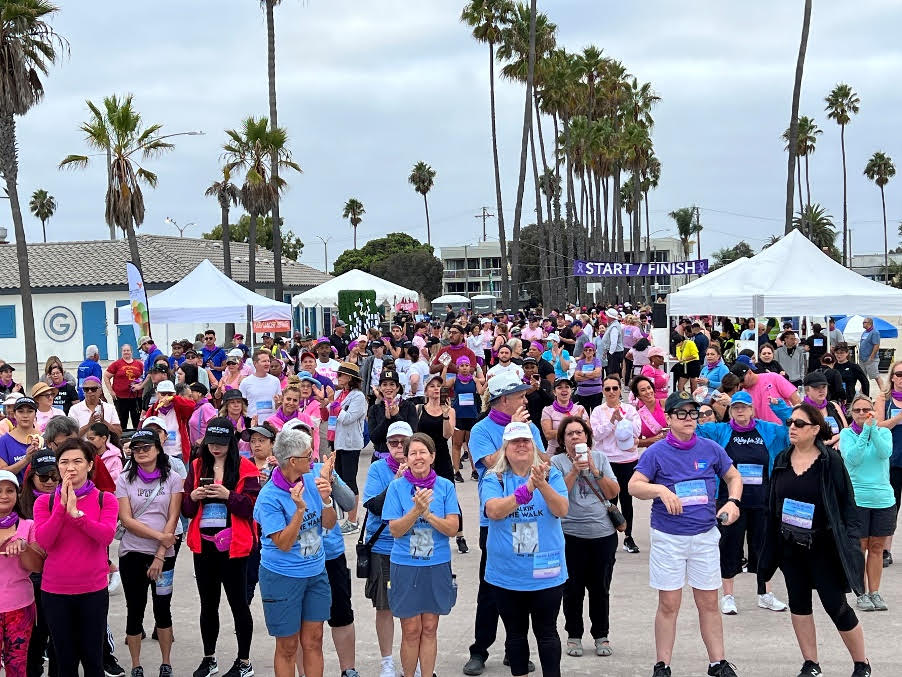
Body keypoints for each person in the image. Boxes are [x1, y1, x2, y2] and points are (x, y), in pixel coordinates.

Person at [628, 391, 743, 677]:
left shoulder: (710, 448)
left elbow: (733, 476)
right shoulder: (656, 452)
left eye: (693, 413)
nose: (689, 418)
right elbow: (634, 485)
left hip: (704, 536)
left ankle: (718, 663)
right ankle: (662, 665)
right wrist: (660, 489)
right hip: (669, 538)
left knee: (709, 602)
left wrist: (733, 501)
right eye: (681, 413)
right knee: (669, 604)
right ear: (668, 418)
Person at [758, 403, 871, 677]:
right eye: (790, 423)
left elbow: (848, 505)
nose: (792, 428)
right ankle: (811, 663)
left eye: (799, 424)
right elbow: (772, 505)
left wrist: (852, 543)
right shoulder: (782, 459)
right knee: (798, 604)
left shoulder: (830, 462)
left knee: (836, 606)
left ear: (815, 429)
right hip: (790, 546)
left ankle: (861, 663)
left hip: (824, 546)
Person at [463, 372, 543, 677]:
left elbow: (542, 461)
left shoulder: (529, 428)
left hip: (529, 516)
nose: (525, 400)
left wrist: (526, 433)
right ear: (504, 399)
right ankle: (479, 650)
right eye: (520, 396)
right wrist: (512, 432)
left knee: (521, 586)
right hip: (495, 519)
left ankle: (515, 649)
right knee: (490, 587)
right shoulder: (481, 430)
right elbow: (492, 465)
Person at [480, 421, 569, 677]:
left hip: (545, 569)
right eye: (515, 442)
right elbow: (493, 510)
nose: (521, 445)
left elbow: (561, 509)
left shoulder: (550, 474)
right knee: (515, 634)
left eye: (525, 441)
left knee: (547, 632)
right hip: (508, 572)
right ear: (505, 448)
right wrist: (526, 489)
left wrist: (541, 484)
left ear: (533, 446)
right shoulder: (494, 477)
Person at [253, 427, 338, 677]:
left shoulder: (310, 480)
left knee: (314, 639)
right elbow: (283, 543)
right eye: (308, 455)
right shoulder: (269, 497)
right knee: (288, 646)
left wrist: (326, 500)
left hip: (315, 572)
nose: (313, 458)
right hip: (282, 576)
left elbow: (330, 523)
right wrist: (299, 510)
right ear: (292, 461)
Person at [695, 391, 789, 614]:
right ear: (729, 410)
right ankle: (728, 596)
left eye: (744, 407)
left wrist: (780, 408)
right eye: (735, 407)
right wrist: (699, 403)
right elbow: (695, 430)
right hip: (730, 501)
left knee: (763, 548)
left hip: (762, 500)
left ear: (752, 410)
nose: (740, 411)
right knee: (729, 546)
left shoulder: (766, 429)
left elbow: (791, 428)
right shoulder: (720, 430)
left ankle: (765, 594)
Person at [182, 418, 261, 677]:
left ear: (232, 443)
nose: (215, 448)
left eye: (221, 443)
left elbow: (252, 508)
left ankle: (244, 662)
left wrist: (228, 495)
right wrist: (193, 497)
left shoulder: (246, 467)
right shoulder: (197, 465)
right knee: (208, 605)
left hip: (234, 546)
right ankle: (209, 658)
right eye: (211, 443)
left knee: (239, 604)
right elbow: (186, 509)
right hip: (204, 546)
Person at [34, 438, 119, 676]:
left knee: (93, 660)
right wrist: (62, 508)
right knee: (63, 661)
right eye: (64, 462)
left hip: (92, 591)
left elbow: (106, 536)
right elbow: (44, 540)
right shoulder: (45, 502)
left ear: (90, 465)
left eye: (77, 461)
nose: (70, 467)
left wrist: (77, 514)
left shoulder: (105, 499)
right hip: (55, 592)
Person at [384, 433, 460, 677]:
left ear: (432, 456)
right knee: (410, 629)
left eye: (422, 452)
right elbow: (395, 530)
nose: (418, 457)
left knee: (429, 627)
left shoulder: (445, 486)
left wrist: (428, 515)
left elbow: (452, 528)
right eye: (413, 453)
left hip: (437, 564)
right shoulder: (396, 488)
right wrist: (416, 510)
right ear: (406, 459)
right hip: (405, 565)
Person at [115, 428, 183, 677]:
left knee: (163, 609)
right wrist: (159, 537)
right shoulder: (125, 478)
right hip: (132, 552)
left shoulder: (173, 478)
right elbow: (126, 519)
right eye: (136, 449)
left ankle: (166, 663)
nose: (141, 452)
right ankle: (136, 665)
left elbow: (173, 517)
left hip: (164, 555)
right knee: (135, 609)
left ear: (158, 449)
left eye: (146, 447)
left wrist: (160, 553)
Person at [551, 416, 619, 658]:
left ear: (587, 437)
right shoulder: (557, 462)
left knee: (600, 589)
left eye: (579, 432)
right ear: (563, 440)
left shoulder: (599, 458)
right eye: (569, 434)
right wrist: (574, 471)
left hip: (602, 534)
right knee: (573, 590)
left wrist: (595, 471)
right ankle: (574, 635)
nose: (575, 437)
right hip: (570, 534)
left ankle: (601, 634)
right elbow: (556, 495)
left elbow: (613, 492)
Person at [362, 421, 411, 677]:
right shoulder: (378, 469)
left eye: (404, 442)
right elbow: (373, 506)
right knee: (385, 607)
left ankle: (412, 661)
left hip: (413, 547)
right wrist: (396, 483)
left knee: (413, 608)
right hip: (383, 546)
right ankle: (387, 661)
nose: (399, 447)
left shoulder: (423, 468)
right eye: (393, 442)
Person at [838, 394, 894, 613]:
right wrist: (864, 433)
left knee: (877, 547)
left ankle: (875, 592)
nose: (862, 414)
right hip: (857, 500)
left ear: (873, 411)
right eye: (857, 410)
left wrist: (873, 430)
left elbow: (884, 453)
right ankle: (861, 593)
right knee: (859, 548)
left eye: (866, 410)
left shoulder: (884, 432)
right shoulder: (846, 434)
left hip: (882, 499)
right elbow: (853, 458)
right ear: (851, 413)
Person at [18, 450, 59, 677]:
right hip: (31, 579)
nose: (50, 481)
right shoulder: (20, 504)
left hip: (61, 576)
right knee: (35, 638)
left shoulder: (67, 499)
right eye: (44, 476)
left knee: (59, 638)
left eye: (54, 476)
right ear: (32, 476)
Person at [415, 373, 468, 553]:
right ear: (426, 390)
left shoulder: (450, 410)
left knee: (449, 493)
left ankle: (460, 535)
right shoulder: (418, 409)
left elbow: (447, 435)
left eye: (438, 386)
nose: (436, 389)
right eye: (432, 386)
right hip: (423, 456)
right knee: (421, 493)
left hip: (441, 456)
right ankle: (424, 531)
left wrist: (445, 416)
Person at [591, 375, 642, 554]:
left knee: (627, 500)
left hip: (627, 460)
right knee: (608, 500)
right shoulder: (597, 411)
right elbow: (596, 435)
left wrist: (623, 421)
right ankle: (609, 536)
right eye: (607, 389)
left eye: (615, 388)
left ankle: (628, 536)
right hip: (607, 461)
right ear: (603, 391)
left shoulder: (630, 409)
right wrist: (611, 422)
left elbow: (637, 431)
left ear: (620, 390)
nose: (611, 392)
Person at [0, 468, 43, 677]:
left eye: (9, 490)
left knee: (17, 666)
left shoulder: (28, 525)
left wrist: (24, 547)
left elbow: (37, 567)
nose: (4, 496)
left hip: (20, 606)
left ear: (17, 495)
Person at [330, 362, 367, 533]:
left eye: (341, 375)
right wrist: (326, 405)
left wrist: (336, 408)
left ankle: (353, 520)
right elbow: (330, 415)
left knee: (350, 480)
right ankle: (345, 518)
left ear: (350, 378)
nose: (338, 378)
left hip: (351, 444)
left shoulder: (358, 397)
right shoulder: (339, 394)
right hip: (338, 442)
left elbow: (348, 418)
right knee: (340, 480)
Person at [875, 360, 902, 566]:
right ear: (892, 377)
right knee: (891, 506)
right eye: (899, 374)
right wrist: (898, 418)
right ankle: (885, 550)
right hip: (892, 460)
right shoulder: (884, 399)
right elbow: (877, 426)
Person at [368, 368, 419, 462]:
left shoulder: (408, 406)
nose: (388, 388)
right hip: (380, 459)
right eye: (384, 385)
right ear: (380, 388)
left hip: (404, 459)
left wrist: (396, 415)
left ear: (397, 387)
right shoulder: (374, 409)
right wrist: (387, 419)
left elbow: (412, 434)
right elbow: (374, 438)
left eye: (392, 384)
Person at [730, 361, 801, 424]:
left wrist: (798, 422)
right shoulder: (743, 395)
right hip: (763, 432)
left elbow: (795, 399)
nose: (740, 384)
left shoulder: (773, 377)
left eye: (742, 380)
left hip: (785, 427)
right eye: (737, 383)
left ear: (750, 372)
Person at [451, 356, 485, 482]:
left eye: (467, 365)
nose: (464, 368)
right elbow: (443, 384)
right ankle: (456, 471)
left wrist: (487, 382)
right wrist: (444, 367)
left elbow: (481, 392)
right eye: (462, 365)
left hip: (472, 415)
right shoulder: (455, 380)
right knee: (457, 444)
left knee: (471, 444)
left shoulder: (474, 380)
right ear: (458, 367)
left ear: (470, 367)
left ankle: (475, 470)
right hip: (459, 416)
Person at [143, 379, 194, 463]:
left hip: (178, 452)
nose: (166, 397)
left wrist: (174, 399)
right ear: (157, 394)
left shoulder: (179, 407)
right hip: (160, 453)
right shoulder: (153, 410)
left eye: (169, 394)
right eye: (163, 394)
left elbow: (192, 406)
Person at [541, 378, 588, 456]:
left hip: (578, 452)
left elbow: (588, 431)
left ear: (571, 391)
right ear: (554, 392)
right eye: (560, 387)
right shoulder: (547, 410)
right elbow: (548, 435)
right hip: (555, 453)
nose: (564, 390)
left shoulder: (580, 408)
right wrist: (574, 421)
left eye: (567, 387)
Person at [0, 396, 41, 481]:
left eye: (30, 411)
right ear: (14, 414)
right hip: (17, 488)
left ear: (35, 414)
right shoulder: (4, 441)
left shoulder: (44, 438)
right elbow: (2, 473)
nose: (25, 416)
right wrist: (26, 459)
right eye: (20, 411)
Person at [803, 371, 847, 447]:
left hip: (837, 450)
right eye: (816, 387)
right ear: (807, 390)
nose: (821, 391)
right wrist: (830, 441)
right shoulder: (801, 409)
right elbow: (802, 437)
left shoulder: (833, 405)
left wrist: (838, 440)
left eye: (824, 387)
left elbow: (846, 430)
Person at [105, 344, 144, 429]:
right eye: (124, 351)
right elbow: (106, 376)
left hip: (136, 397)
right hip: (120, 397)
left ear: (131, 352)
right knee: (121, 420)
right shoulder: (116, 364)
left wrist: (140, 385)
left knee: (137, 420)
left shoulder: (139, 364)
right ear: (121, 352)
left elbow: (144, 378)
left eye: (128, 350)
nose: (126, 352)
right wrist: (111, 391)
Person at [239, 349, 282, 422]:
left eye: (268, 361)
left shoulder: (275, 381)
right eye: (264, 361)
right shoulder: (245, 382)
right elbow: (241, 404)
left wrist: (278, 403)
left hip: (271, 422)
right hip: (253, 423)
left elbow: (279, 403)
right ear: (255, 363)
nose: (267, 364)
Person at [220, 389, 253, 458]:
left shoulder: (249, 422)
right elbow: (224, 447)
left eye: (239, 402)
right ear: (226, 406)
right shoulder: (221, 424)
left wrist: (253, 432)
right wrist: (238, 433)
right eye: (232, 402)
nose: (236, 405)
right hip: (229, 459)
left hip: (249, 459)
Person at [573, 343, 604, 413]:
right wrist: (591, 376)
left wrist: (582, 374)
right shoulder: (580, 362)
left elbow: (597, 374)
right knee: (585, 416)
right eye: (585, 350)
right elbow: (576, 377)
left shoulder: (597, 361)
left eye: (590, 350)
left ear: (593, 351)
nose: (588, 351)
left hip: (596, 392)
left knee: (595, 415)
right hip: (582, 393)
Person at [188, 382, 219, 451]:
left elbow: (215, 425)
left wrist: (203, 439)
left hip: (205, 447)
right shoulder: (197, 407)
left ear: (199, 393)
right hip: (197, 447)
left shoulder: (206, 407)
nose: (190, 394)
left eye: (192, 392)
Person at [599, 308, 625, 378]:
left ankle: (616, 383)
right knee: (613, 371)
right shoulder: (613, 325)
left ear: (610, 317)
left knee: (614, 372)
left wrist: (610, 353)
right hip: (614, 352)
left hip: (615, 353)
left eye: (607, 315)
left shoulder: (614, 327)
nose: (606, 316)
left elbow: (614, 342)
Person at [859, 317, 883, 390]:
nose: (863, 324)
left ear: (870, 323)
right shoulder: (864, 332)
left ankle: (884, 391)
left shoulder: (875, 332)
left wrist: (872, 357)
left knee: (875, 376)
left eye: (864, 322)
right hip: (862, 359)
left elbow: (876, 345)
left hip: (870, 359)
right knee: (863, 377)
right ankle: (862, 392)